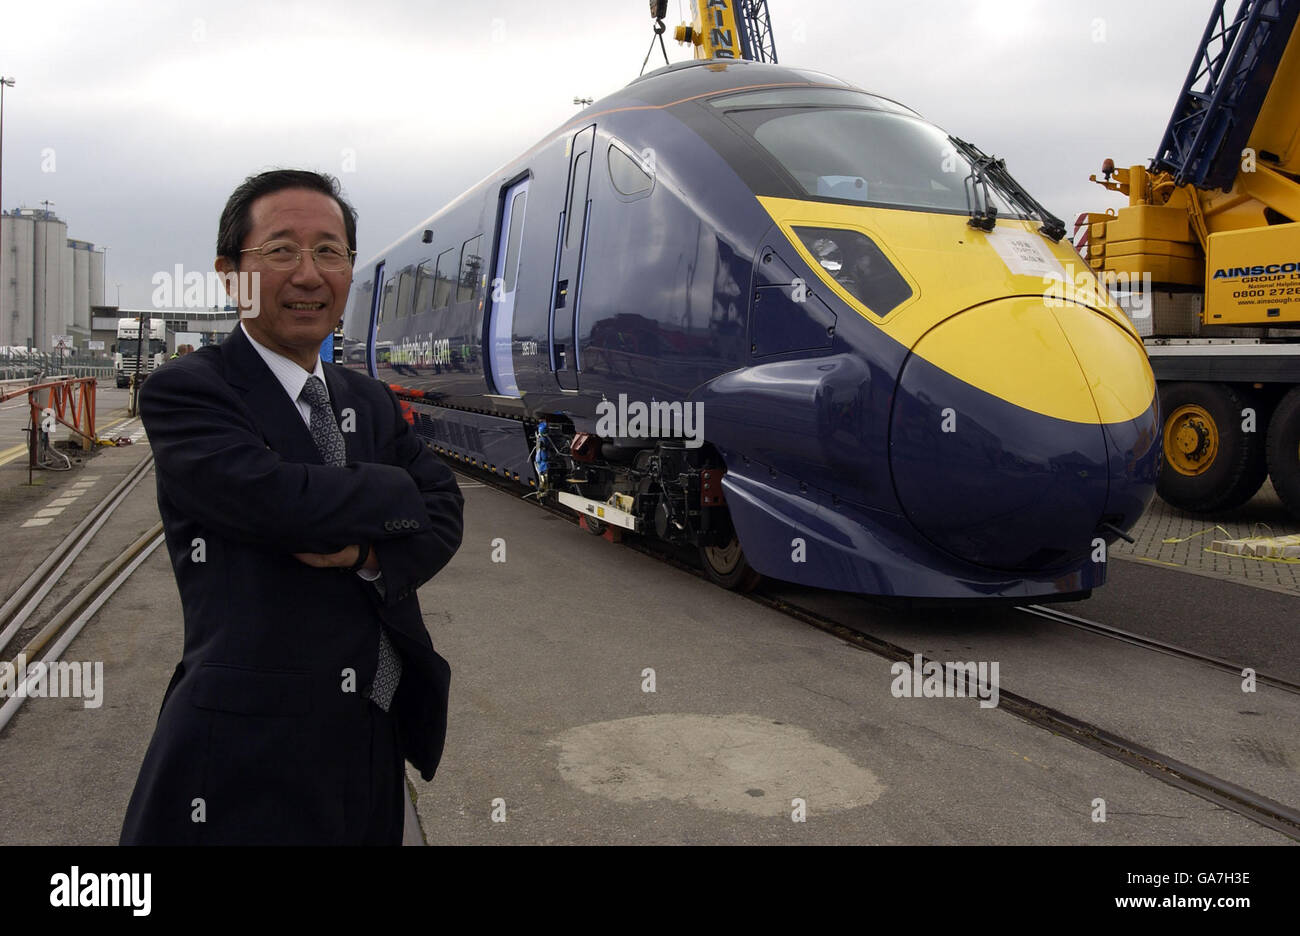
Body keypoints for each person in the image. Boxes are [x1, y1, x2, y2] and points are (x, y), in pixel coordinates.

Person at [120, 169, 463, 845]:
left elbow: (446, 511)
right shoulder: (188, 391)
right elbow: (278, 503)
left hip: (371, 731)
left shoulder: (363, 397)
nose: (309, 274)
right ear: (231, 273)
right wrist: (396, 493)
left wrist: (367, 552)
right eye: (281, 251)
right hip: (247, 750)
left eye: (329, 252)